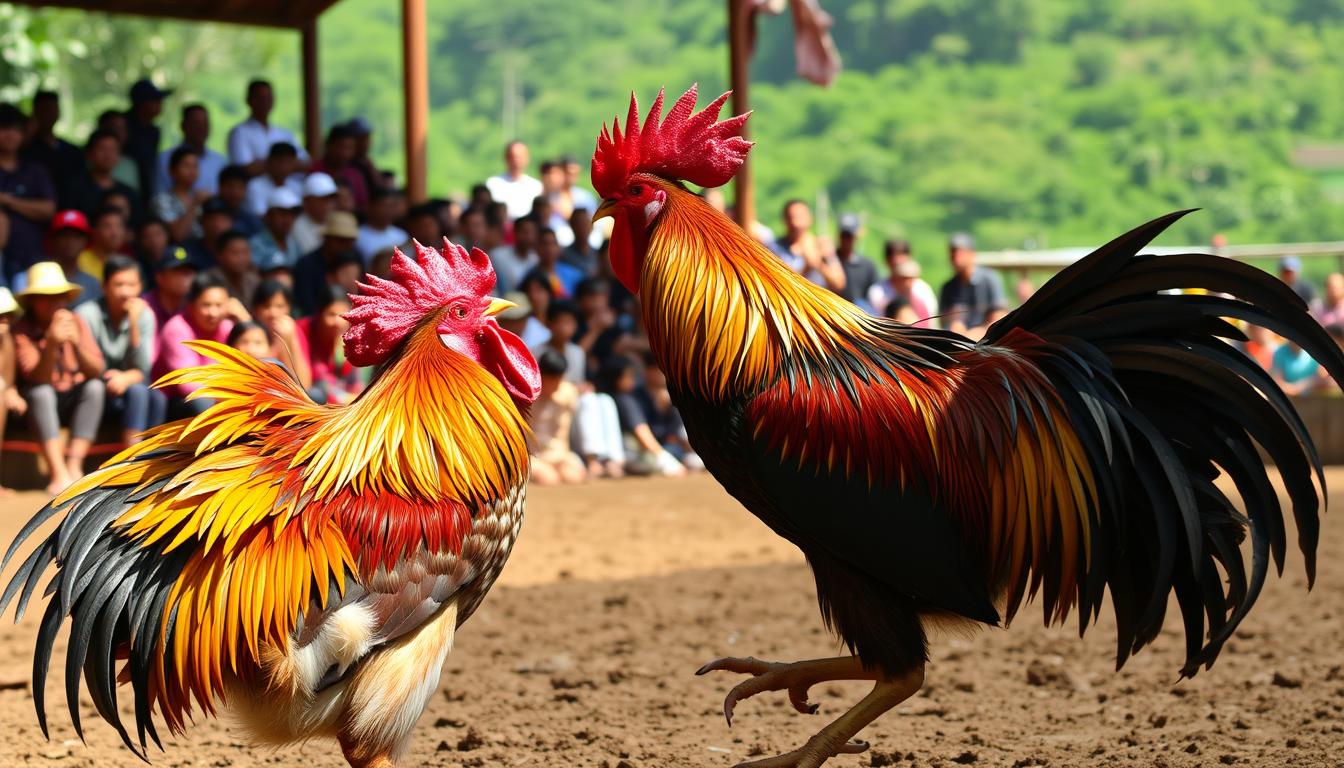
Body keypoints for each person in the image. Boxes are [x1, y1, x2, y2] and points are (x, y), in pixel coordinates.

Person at [12, 261, 106, 494]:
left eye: (60, 296)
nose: (55, 302)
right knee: (41, 393)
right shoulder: (21, 330)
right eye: (47, 296)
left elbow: (97, 370)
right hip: (35, 407)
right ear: (33, 301)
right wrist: (52, 343)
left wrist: (76, 345)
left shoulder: (76, 321)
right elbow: (36, 379)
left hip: (71, 397)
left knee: (95, 387)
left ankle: (74, 466)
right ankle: (58, 471)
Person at [76, 255, 164, 445]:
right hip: (96, 387)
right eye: (118, 285)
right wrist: (115, 377)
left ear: (140, 287)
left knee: (157, 397)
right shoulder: (87, 314)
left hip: (130, 387)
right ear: (104, 286)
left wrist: (133, 324)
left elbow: (144, 367)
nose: (125, 292)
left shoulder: (144, 315)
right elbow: (84, 365)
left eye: (132, 285)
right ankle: (129, 462)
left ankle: (152, 461)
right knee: (139, 391)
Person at [153, 272, 247, 417]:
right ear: (191, 306)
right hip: (177, 401)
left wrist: (245, 320)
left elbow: (258, 361)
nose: (213, 313)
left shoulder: (228, 327)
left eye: (219, 305)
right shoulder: (176, 329)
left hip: (221, 395)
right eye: (206, 305)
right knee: (202, 402)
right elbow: (188, 384)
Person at [600, 356, 686, 478]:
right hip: (634, 453)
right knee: (651, 462)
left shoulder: (668, 393)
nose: (633, 380)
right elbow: (640, 430)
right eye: (628, 376)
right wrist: (665, 459)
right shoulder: (625, 397)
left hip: (664, 448)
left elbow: (674, 434)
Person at [0, 103, 56, 283]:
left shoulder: (34, 171)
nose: (10, 135)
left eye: (16, 130)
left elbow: (48, 209)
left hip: (29, 262)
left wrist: (7, 201)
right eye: (4, 128)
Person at [527, 348, 586, 485]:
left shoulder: (568, 393)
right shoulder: (526, 397)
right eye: (552, 380)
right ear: (540, 375)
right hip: (533, 457)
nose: (556, 384)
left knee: (573, 477)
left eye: (559, 379)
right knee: (548, 479)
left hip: (561, 454)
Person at [63, 128, 142, 227]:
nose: (108, 155)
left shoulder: (128, 193)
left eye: (113, 150)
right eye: (102, 149)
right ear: (89, 153)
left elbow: (136, 228)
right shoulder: (73, 187)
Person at [227, 80, 308, 176]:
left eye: (268, 98)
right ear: (248, 100)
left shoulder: (284, 133)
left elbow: (306, 163)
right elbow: (245, 169)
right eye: (260, 98)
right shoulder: (239, 133)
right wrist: (287, 164)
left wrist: (265, 165)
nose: (264, 102)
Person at [296, 285, 361, 404]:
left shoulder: (346, 335)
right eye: (331, 314)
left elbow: (353, 384)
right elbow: (309, 385)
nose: (338, 322)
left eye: (343, 315)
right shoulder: (301, 330)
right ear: (319, 314)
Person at [939, 232, 1007, 338]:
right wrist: (955, 325)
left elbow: (999, 317)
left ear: (971, 253)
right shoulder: (948, 287)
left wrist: (980, 331)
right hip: (959, 342)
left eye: (959, 252)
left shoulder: (990, 279)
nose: (955, 257)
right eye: (952, 253)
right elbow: (944, 320)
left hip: (988, 341)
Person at [771, 199, 846, 293]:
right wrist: (806, 268)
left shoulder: (822, 246)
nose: (795, 223)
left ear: (810, 218)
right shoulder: (775, 248)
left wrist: (818, 264)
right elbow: (779, 284)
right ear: (784, 220)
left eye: (800, 217)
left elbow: (839, 283)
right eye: (790, 217)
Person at [22, 91, 83, 204]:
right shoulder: (24, 150)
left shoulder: (72, 151)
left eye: (52, 109)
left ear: (58, 112)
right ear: (35, 112)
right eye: (44, 110)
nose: (48, 115)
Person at [294, 210, 359, 314]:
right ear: (327, 238)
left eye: (349, 241)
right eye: (340, 240)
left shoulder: (355, 258)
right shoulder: (307, 265)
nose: (345, 245)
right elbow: (306, 305)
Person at [251, 280, 312, 389]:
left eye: (279, 306)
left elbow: (304, 385)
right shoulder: (250, 332)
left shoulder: (293, 330)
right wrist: (278, 342)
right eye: (266, 306)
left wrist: (291, 338)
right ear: (256, 310)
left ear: (288, 308)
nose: (273, 313)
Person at [155, 104, 226, 195]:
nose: (201, 128)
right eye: (196, 123)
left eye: (205, 123)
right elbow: (160, 195)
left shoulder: (219, 161)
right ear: (183, 126)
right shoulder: (165, 158)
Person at [123, 78, 172, 201]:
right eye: (155, 100)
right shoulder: (123, 126)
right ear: (142, 103)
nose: (160, 104)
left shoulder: (153, 131)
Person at [149, 146, 207, 242]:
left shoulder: (202, 199)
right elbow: (177, 235)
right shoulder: (162, 200)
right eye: (187, 166)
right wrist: (195, 204)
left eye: (195, 166)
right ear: (172, 171)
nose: (192, 171)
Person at [0, 287, 26, 496]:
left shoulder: (7, 340)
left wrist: (10, 390)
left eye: (7, 316)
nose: (4, 321)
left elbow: (7, 380)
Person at [311, 124, 368, 212]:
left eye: (349, 148)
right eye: (340, 147)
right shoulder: (315, 172)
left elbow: (363, 205)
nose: (344, 153)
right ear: (328, 145)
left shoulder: (355, 175)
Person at [532, 301, 586, 388]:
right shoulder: (534, 353)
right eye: (558, 322)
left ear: (576, 325)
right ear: (548, 323)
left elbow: (578, 384)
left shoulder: (578, 353)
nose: (563, 328)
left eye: (567, 322)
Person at [869, 258, 937, 328]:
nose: (907, 283)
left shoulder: (923, 295)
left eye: (910, 279)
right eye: (903, 279)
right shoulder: (881, 295)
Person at [485, 141, 543, 220]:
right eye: (513, 157)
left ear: (527, 158)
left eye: (520, 157)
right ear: (506, 158)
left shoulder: (536, 186)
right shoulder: (492, 184)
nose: (517, 161)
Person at [73, 207, 126, 290]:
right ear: (94, 231)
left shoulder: (126, 263)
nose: (114, 232)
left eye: (119, 226)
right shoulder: (79, 260)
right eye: (107, 226)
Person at [249, 187, 303, 270]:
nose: (288, 219)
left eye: (291, 214)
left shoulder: (294, 243)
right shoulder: (255, 244)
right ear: (268, 216)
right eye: (283, 214)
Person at [144, 244, 198, 326]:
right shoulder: (145, 306)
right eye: (178, 271)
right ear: (160, 277)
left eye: (188, 272)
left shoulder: (198, 305)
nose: (185, 278)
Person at [523, 227, 584, 300]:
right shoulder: (530, 278)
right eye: (544, 244)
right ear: (536, 248)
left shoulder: (574, 275)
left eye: (553, 243)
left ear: (558, 247)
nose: (549, 248)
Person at [245, 142, 303, 216]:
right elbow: (259, 215)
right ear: (269, 161)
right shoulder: (254, 186)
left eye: (289, 162)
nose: (284, 167)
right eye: (279, 161)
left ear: (295, 163)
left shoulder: (298, 186)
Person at [207, 230, 259, 310]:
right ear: (220, 255)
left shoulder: (253, 280)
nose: (241, 258)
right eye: (234, 253)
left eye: (245, 252)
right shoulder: (208, 280)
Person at [94, 109, 142, 196]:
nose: (108, 155)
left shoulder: (130, 165)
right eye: (114, 127)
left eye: (123, 128)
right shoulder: (77, 185)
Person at [489, 214, 540, 295]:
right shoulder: (497, 256)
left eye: (532, 232)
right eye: (524, 232)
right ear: (515, 232)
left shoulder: (536, 259)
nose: (529, 237)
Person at [834, 214, 876, 308]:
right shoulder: (831, 261)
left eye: (850, 236)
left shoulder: (867, 266)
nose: (847, 240)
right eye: (844, 235)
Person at [355, 188, 408, 262]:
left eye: (391, 206)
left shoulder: (401, 235)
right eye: (384, 205)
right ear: (370, 207)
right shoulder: (357, 235)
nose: (388, 210)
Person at [291, 172, 338, 254]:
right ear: (306, 201)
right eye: (322, 199)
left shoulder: (337, 221)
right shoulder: (297, 227)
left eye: (331, 199)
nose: (328, 204)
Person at [183, 196, 234, 268]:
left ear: (231, 222)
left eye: (222, 219)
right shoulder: (187, 250)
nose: (217, 224)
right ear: (201, 222)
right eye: (212, 219)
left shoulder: (239, 249)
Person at [216, 164, 263, 236]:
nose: (234, 192)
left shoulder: (251, 221)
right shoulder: (207, 213)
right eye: (230, 186)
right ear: (220, 187)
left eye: (240, 187)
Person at [344, 117, 383, 199]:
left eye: (366, 139)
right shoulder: (343, 164)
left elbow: (379, 188)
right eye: (361, 139)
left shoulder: (366, 163)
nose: (365, 144)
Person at [561, 208, 599, 274]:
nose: (583, 228)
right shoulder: (563, 256)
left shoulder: (598, 255)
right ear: (572, 226)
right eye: (579, 223)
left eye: (586, 223)